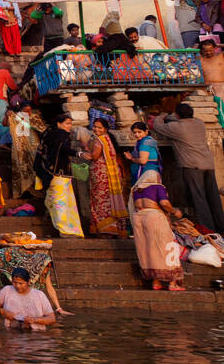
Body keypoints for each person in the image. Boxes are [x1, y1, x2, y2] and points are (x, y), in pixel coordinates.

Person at [151, 103, 224, 235]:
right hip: (208, 164)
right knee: (213, 198)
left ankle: (208, 230)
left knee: (199, 198)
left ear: (178, 115)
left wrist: (161, 115)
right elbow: (177, 119)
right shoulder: (199, 123)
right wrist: (173, 116)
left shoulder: (176, 127)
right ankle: (221, 227)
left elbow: (157, 125)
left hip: (192, 166)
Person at [129, 154, 186, 291]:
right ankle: (173, 283)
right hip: (153, 217)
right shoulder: (157, 187)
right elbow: (164, 203)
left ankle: (156, 282)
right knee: (167, 246)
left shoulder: (136, 189)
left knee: (149, 249)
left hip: (138, 218)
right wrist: (174, 212)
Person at [83, 117, 128, 237]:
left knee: (100, 201)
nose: (96, 129)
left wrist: (85, 149)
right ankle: (115, 228)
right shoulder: (109, 139)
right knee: (110, 201)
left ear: (105, 129)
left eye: (99, 127)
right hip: (111, 175)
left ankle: (105, 230)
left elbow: (95, 156)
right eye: (95, 126)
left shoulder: (99, 140)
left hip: (101, 176)